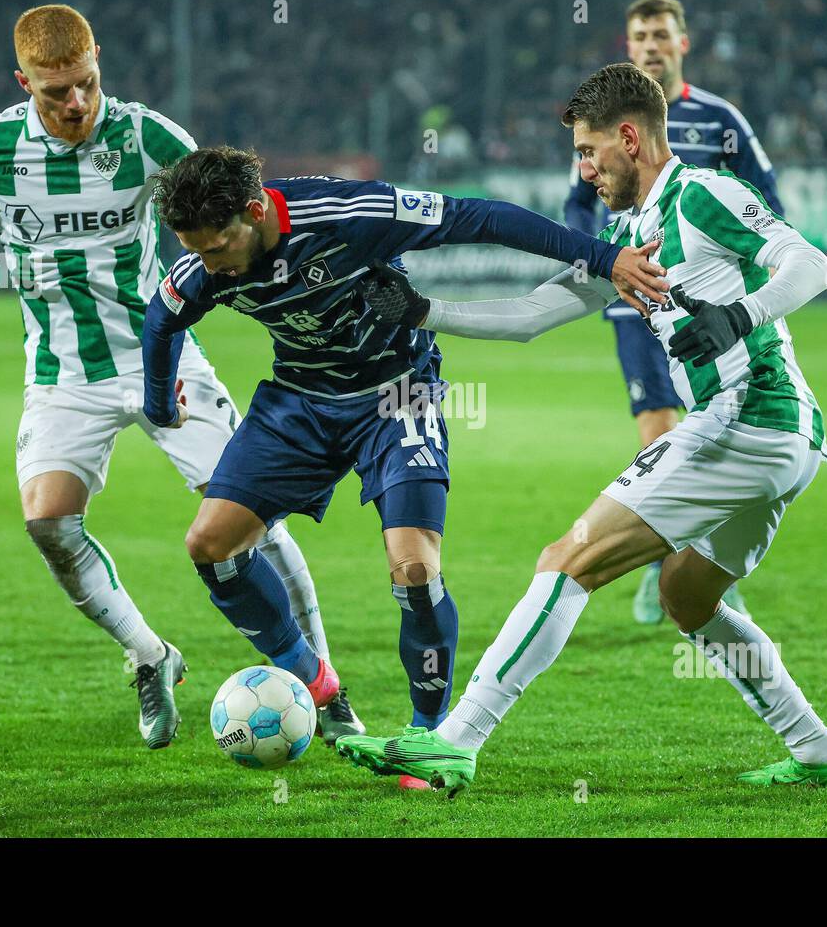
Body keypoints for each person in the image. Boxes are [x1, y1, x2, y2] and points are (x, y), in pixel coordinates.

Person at [0, 4, 361, 749]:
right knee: (47, 521)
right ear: (22, 81)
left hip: (164, 357)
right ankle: (151, 656)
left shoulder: (146, 135)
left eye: (87, 84)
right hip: (62, 374)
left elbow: (235, 210)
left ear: (99, 60)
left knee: (254, 519)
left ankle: (326, 689)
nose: (76, 105)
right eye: (54, 92)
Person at [338, 63, 827, 796]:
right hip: (779, 439)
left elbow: (810, 264)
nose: (583, 172)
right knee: (688, 597)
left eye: (588, 153)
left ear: (628, 138)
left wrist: (740, 315)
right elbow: (530, 316)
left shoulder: (702, 195)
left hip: (748, 418)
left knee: (566, 559)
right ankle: (819, 753)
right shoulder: (626, 236)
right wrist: (423, 311)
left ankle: (457, 740)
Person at [140, 145, 665, 788]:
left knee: (415, 569)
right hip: (299, 401)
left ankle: (427, 732)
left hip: (398, 393)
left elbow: (483, 218)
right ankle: (316, 680)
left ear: (255, 212)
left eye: (218, 249)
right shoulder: (204, 266)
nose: (209, 266)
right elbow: (161, 321)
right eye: (197, 251)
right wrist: (159, 404)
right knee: (211, 546)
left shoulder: (352, 213)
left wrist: (605, 257)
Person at [565, 0, 783, 623]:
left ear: (683, 43)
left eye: (662, 34)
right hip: (635, 305)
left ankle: (702, 564)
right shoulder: (607, 128)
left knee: (717, 431)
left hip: (706, 305)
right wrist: (604, 258)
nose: (651, 45)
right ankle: (670, 564)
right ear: (628, 47)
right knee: (658, 432)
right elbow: (579, 206)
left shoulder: (720, 120)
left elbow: (764, 199)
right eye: (640, 36)